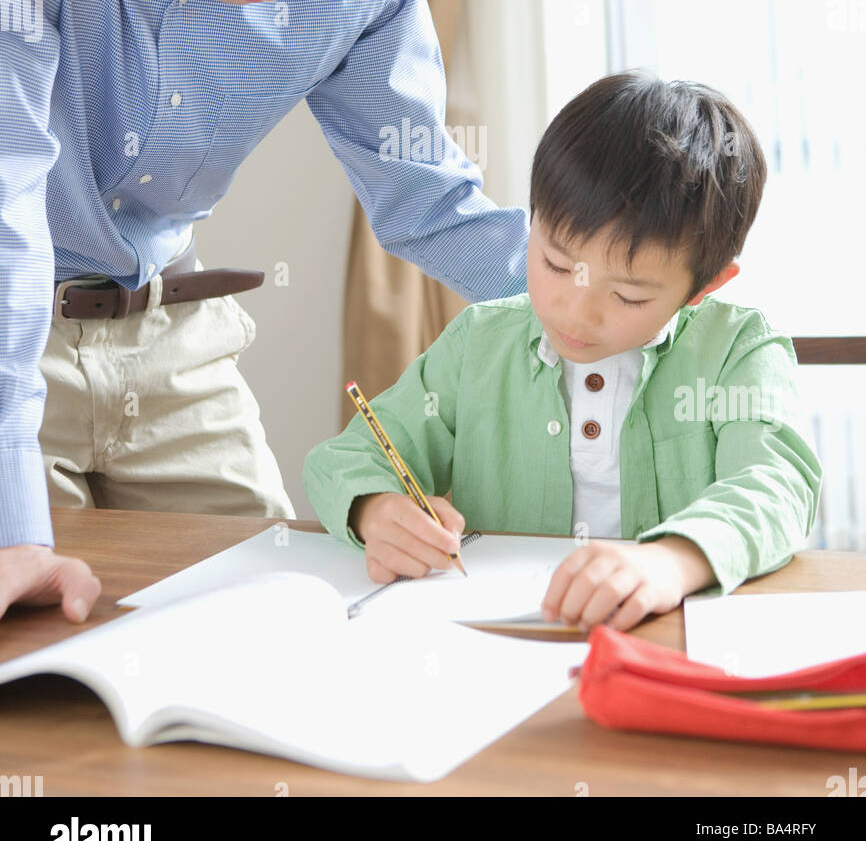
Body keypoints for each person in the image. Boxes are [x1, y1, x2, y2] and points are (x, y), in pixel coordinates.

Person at [0, 0, 529, 623]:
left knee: (290, 618)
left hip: (174, 336)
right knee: (39, 672)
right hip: (11, 343)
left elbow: (428, 196)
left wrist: (607, 282)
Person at [304, 71, 823, 631]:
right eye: (554, 264)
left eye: (627, 295)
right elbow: (344, 459)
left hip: (671, 638)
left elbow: (777, 489)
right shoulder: (479, 343)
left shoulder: (737, 352)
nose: (576, 313)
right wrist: (375, 508)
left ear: (704, 286)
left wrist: (675, 560)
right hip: (496, 637)